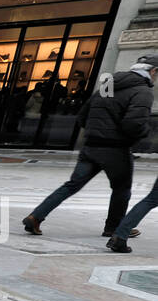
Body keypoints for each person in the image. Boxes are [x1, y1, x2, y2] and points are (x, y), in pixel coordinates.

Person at [24, 55, 158, 251]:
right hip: (115, 149)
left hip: (91, 146)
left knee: (71, 185)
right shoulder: (143, 91)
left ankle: (35, 217)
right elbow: (134, 123)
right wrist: (141, 136)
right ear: (152, 71)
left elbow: (83, 115)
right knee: (121, 189)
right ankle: (114, 228)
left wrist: (94, 133)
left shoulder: (109, 83)